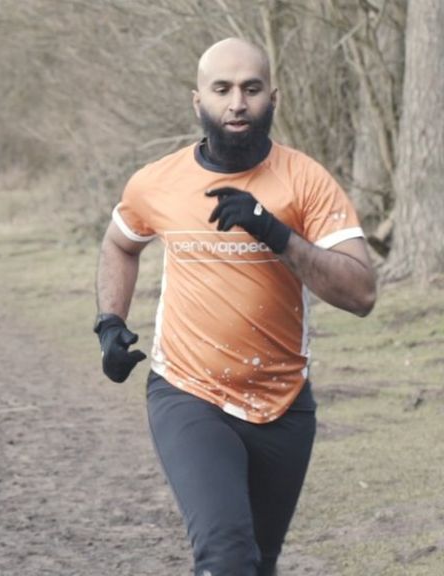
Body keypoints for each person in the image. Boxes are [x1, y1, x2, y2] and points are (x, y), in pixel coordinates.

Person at [93, 38, 377, 576]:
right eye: (222, 89)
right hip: (187, 392)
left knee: (257, 563)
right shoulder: (157, 182)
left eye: (250, 89)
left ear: (274, 98)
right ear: (196, 100)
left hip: (284, 402)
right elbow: (119, 243)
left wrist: (274, 231)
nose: (237, 103)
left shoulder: (306, 180)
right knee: (225, 558)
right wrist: (109, 321)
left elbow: (361, 293)